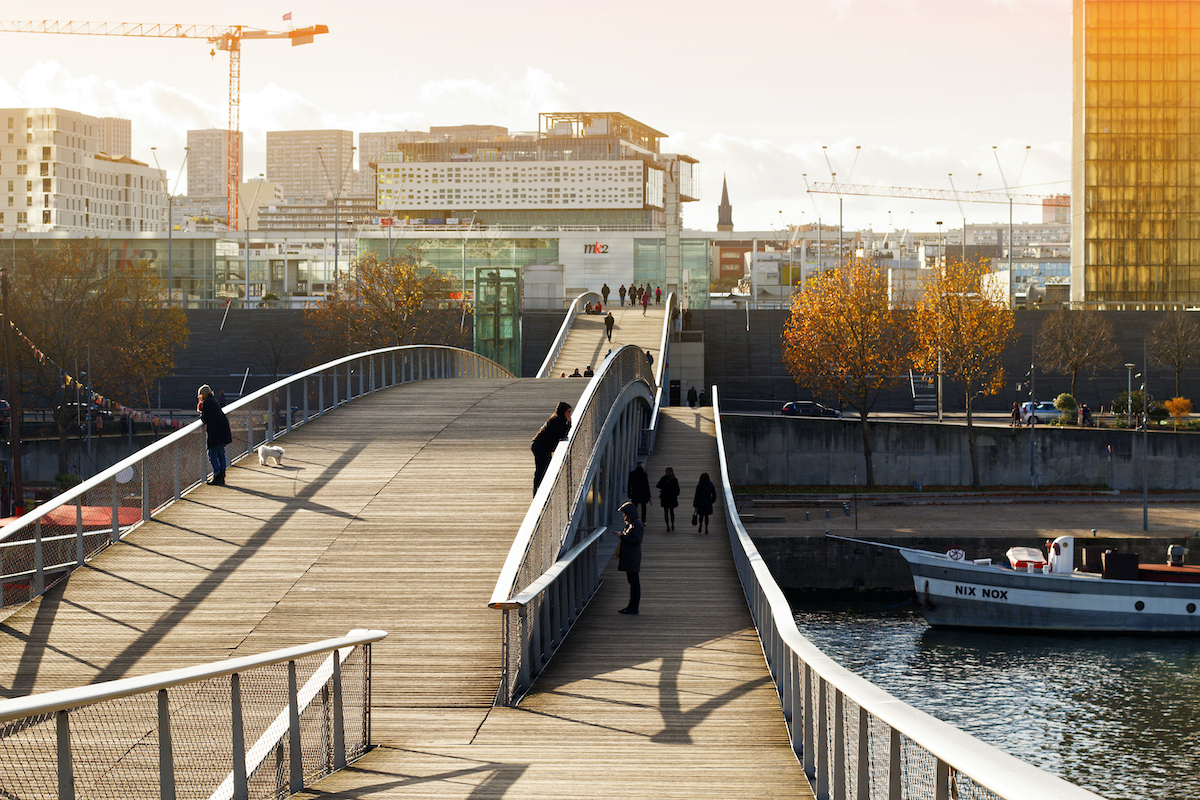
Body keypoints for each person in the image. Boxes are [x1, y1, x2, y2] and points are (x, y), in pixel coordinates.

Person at [531, 401, 572, 494]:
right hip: (541, 446)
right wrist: (569, 423)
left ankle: (540, 489)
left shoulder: (558, 418)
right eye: (568, 411)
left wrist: (568, 423)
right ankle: (537, 490)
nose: (569, 414)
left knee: (545, 467)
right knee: (542, 469)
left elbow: (563, 433)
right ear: (563, 411)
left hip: (543, 447)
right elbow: (562, 434)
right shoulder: (557, 420)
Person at [198, 384, 232, 486]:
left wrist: (200, 411)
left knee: (212, 454)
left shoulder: (207, 403)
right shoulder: (214, 401)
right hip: (222, 431)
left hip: (215, 433)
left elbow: (204, 419)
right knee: (221, 453)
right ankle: (222, 474)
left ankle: (217, 475)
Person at [614, 501, 643, 614]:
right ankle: (632, 606)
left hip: (632, 557)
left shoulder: (636, 525)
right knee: (632, 581)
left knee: (634, 582)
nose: (624, 516)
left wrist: (622, 536)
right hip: (631, 556)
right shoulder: (634, 524)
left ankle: (633, 606)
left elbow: (636, 540)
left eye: (624, 513)